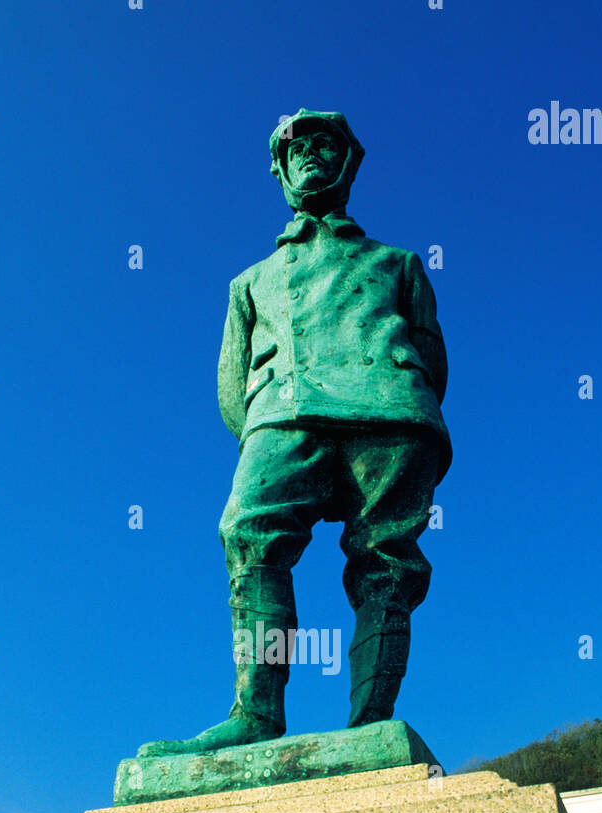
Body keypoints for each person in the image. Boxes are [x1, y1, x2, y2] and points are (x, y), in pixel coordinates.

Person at [141, 109, 451, 757]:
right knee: (250, 535)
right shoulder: (250, 282)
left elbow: (431, 358)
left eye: (325, 145)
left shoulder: (398, 264)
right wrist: (266, 425)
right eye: (297, 149)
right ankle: (256, 711)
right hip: (282, 416)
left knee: (385, 558)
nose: (311, 155)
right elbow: (232, 390)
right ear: (279, 172)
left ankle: (372, 722)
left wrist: (400, 401)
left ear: (349, 164)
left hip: (392, 412)